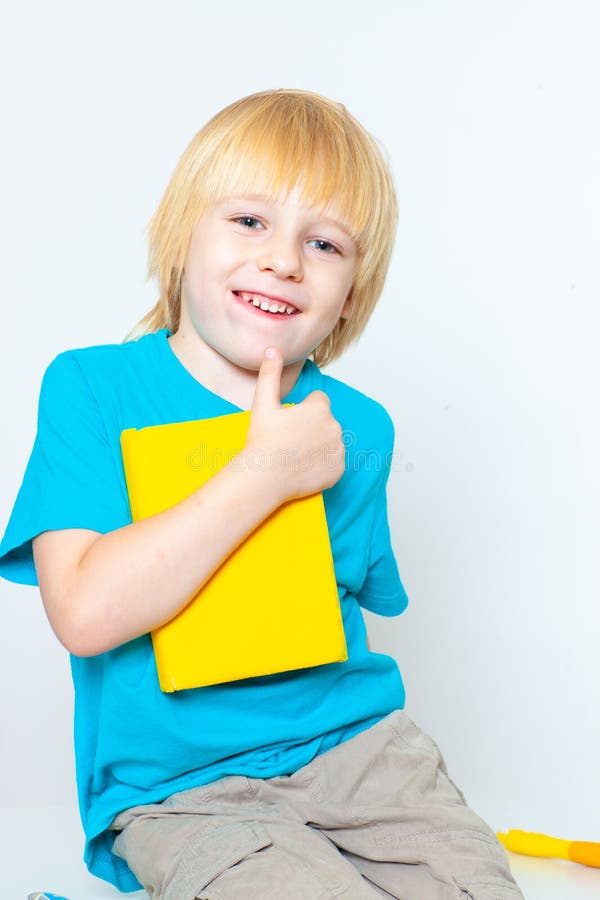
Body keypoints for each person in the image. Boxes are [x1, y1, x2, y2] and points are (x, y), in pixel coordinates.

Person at [0, 89, 523, 899]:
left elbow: (346, 601)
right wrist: (266, 471)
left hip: (361, 751)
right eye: (249, 221)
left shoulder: (359, 430)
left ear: (351, 294)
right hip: (183, 790)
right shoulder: (91, 388)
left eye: (323, 243)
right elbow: (85, 612)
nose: (283, 259)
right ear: (181, 237)